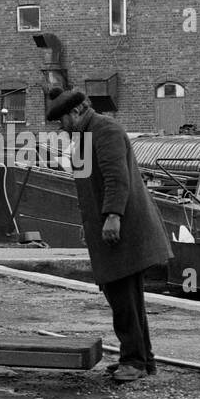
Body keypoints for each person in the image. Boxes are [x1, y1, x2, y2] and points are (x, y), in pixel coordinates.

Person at [44, 89, 172, 383]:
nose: (60, 127)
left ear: (75, 112)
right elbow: (95, 184)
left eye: (61, 120)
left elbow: (116, 177)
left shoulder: (105, 130)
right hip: (113, 228)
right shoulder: (90, 134)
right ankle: (143, 359)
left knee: (122, 297)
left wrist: (113, 216)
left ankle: (134, 362)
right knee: (128, 298)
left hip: (122, 230)